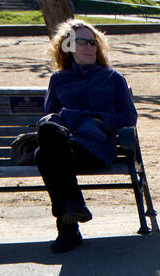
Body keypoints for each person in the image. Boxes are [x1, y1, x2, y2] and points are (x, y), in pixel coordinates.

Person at [38, 20, 137, 254]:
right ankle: (74, 207)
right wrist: (68, 119)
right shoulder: (58, 79)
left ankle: (66, 227)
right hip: (66, 145)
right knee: (48, 142)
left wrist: (99, 121)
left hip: (96, 148)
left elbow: (128, 116)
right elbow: (49, 115)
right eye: (82, 42)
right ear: (68, 47)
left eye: (93, 42)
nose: (90, 47)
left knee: (45, 156)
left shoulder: (113, 78)